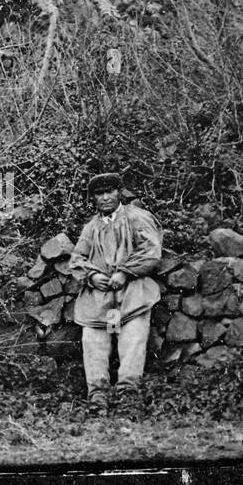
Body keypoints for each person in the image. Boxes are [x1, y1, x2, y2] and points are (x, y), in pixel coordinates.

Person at [69, 172, 162, 415]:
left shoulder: (137, 217)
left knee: (132, 346)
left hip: (132, 296)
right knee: (94, 345)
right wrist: (92, 276)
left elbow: (151, 251)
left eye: (110, 191)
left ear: (119, 192)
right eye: (99, 193)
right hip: (100, 301)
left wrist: (125, 272)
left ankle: (128, 401)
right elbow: (77, 259)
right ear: (93, 198)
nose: (105, 197)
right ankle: (98, 400)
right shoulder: (92, 227)